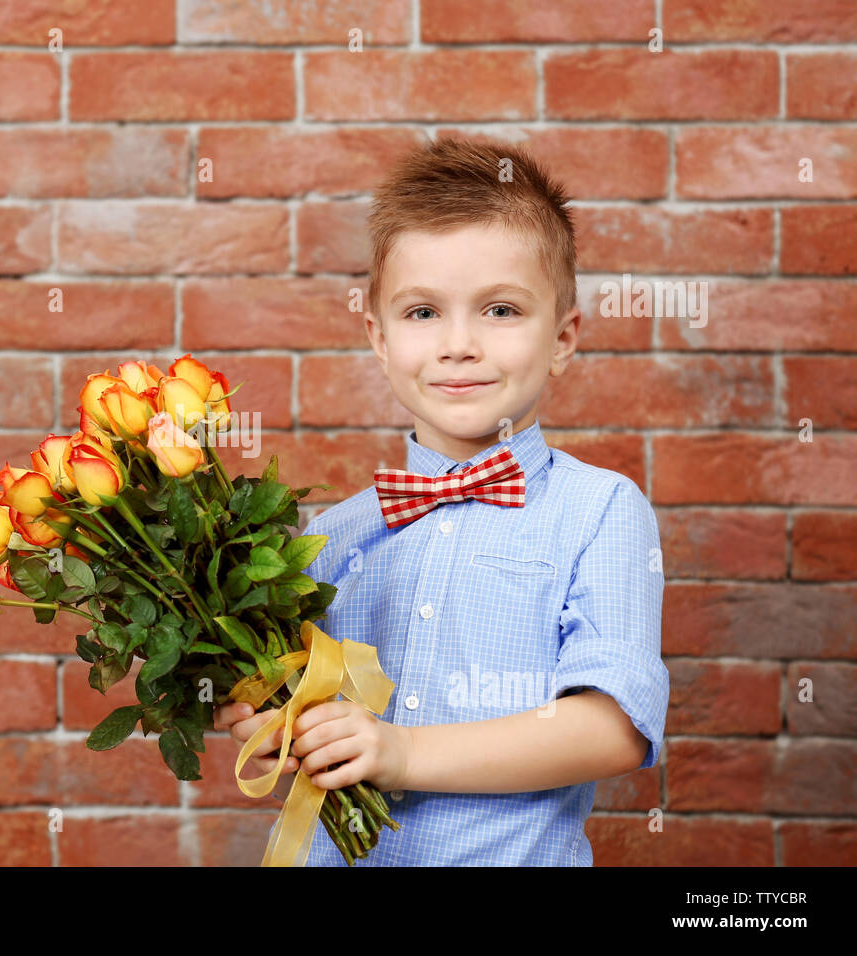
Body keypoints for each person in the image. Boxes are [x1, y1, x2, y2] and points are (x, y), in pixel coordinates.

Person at [213, 136, 669, 866]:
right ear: (379, 338)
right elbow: (299, 715)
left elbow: (612, 729)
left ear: (563, 337)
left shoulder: (601, 510)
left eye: (499, 310)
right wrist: (276, 728)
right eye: (422, 313)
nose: (459, 344)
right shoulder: (326, 537)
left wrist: (400, 752)